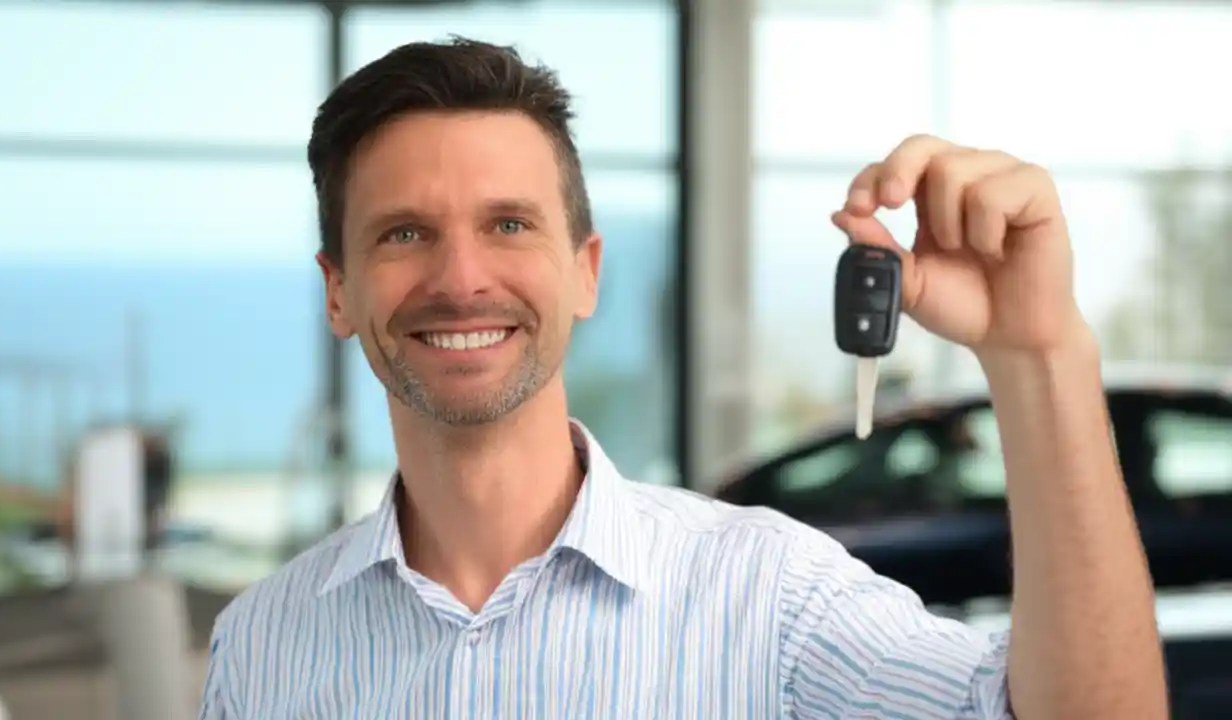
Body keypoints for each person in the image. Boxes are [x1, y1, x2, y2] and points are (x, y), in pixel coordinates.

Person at [198, 37, 1167, 719]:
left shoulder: (768, 596)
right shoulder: (262, 644)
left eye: (508, 224)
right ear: (337, 291)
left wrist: (1037, 356)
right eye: (404, 233)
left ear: (584, 269)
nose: (460, 279)